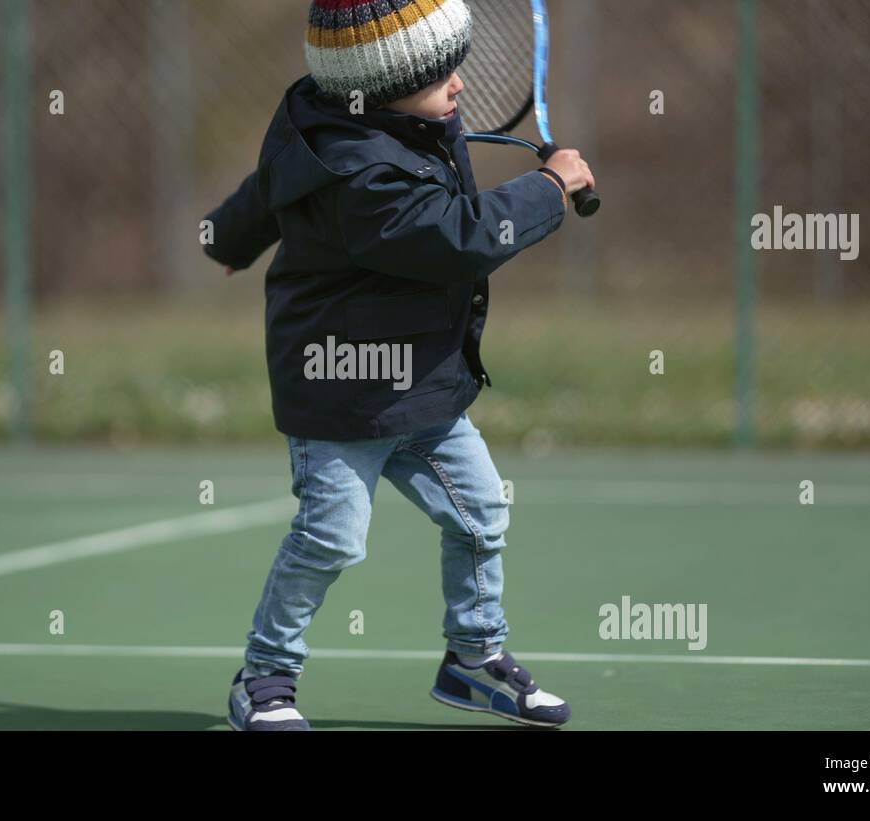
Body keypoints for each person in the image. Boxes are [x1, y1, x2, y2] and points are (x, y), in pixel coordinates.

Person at [201, 0, 594, 731]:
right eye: (438, 73)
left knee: (481, 516)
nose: (459, 85)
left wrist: (229, 236)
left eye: (456, 64)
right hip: (341, 391)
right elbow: (457, 237)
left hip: (424, 384)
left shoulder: (361, 120)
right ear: (382, 87)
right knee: (331, 537)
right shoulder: (363, 171)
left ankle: (474, 658)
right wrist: (548, 190)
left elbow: (268, 187)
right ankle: (265, 676)